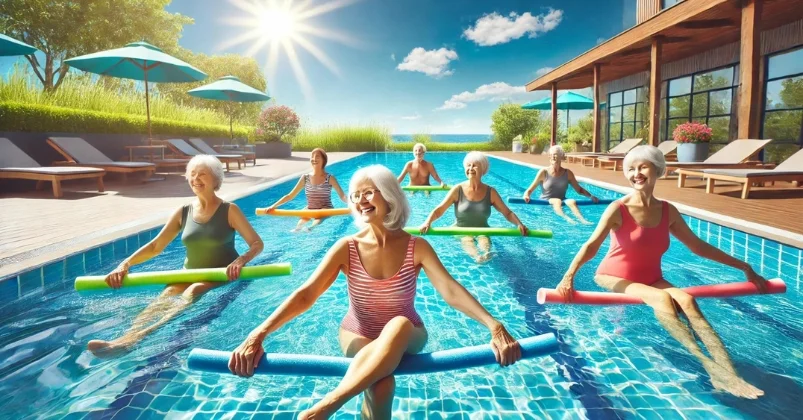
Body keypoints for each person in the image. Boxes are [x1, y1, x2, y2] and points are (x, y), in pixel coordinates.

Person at [228, 165, 522, 419]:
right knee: (382, 385)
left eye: (369, 192)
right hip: (358, 332)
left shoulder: (416, 246)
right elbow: (307, 294)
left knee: (399, 323)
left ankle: (325, 407)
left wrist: (494, 326)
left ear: (389, 196)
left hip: (408, 333)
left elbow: (450, 289)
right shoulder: (347, 247)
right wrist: (258, 334)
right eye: (356, 194)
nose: (359, 199)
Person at [554, 145, 767, 399]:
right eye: (631, 169)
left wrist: (745, 266)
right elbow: (591, 245)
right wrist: (569, 276)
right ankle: (709, 366)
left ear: (658, 170)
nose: (636, 173)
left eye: (643, 167)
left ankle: (730, 371)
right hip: (614, 276)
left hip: (651, 278)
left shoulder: (668, 211)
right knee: (663, 298)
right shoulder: (618, 208)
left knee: (687, 300)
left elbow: (698, 246)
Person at [87, 155, 264, 357]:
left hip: (219, 274)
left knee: (194, 290)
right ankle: (123, 339)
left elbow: (257, 243)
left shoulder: (230, 210)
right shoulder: (184, 211)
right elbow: (156, 246)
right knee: (167, 293)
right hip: (188, 273)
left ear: (216, 179)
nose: (196, 179)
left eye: (202, 174)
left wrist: (241, 260)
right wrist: (124, 264)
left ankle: (140, 337)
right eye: (192, 174)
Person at [420, 152, 528, 263]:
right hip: (461, 230)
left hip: (483, 230)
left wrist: (519, 224)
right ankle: (477, 257)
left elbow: (507, 213)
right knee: (467, 240)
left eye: (475, 165)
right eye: (468, 165)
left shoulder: (491, 192)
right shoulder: (458, 189)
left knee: (484, 241)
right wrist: (427, 222)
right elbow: (439, 210)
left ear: (483, 170)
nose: (470, 168)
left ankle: (486, 256)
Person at [263, 148, 348, 231]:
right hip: (310, 208)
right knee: (302, 218)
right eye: (312, 156)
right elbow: (290, 196)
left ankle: (311, 228)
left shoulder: (330, 178)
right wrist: (273, 206)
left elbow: (342, 196)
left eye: (317, 157)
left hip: (326, 208)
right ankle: (297, 229)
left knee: (319, 216)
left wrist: (353, 203)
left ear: (323, 160)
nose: (314, 159)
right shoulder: (305, 178)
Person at [522, 145, 599, 225]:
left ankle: (582, 220)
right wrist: (526, 195)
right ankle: (567, 219)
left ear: (561, 156)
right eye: (551, 155)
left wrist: (591, 196)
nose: (553, 157)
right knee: (557, 201)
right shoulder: (544, 172)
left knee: (572, 201)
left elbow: (579, 190)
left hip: (562, 199)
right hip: (546, 200)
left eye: (555, 154)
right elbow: (529, 190)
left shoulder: (568, 173)